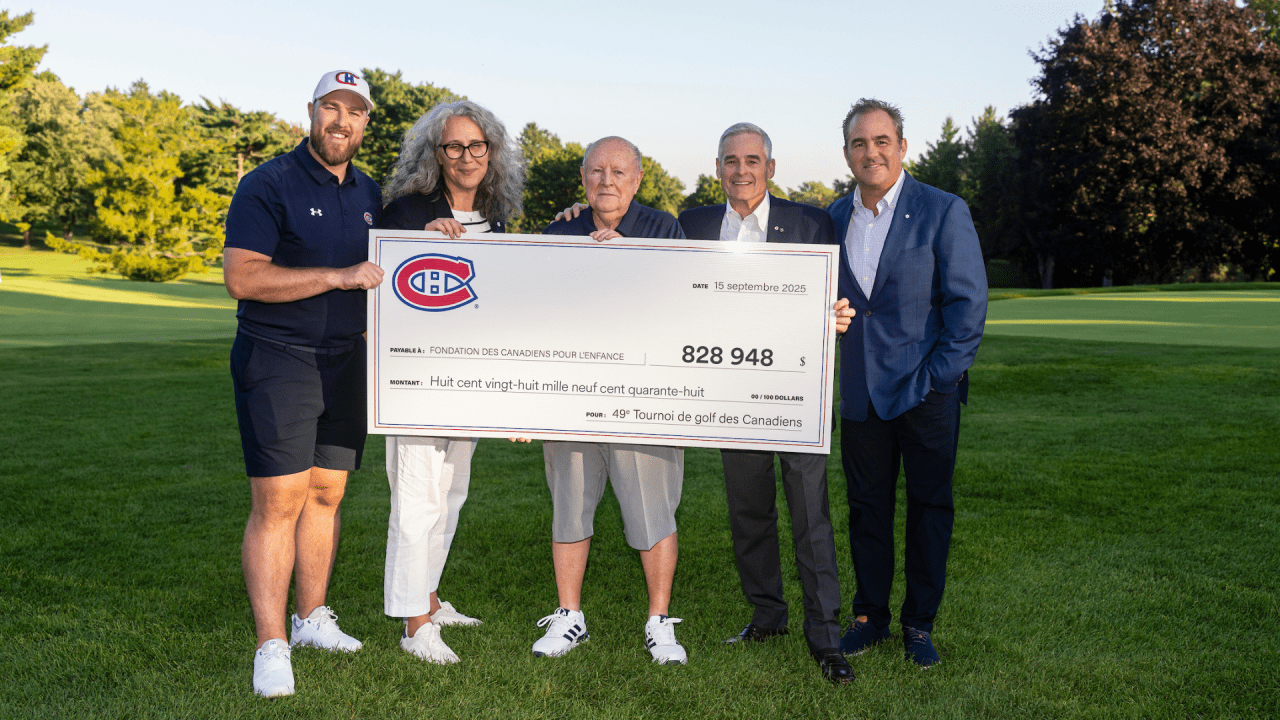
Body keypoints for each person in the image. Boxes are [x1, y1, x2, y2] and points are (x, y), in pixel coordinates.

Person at [223, 70, 383, 698]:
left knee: (326, 494)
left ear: (366, 123)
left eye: (355, 112)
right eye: (331, 108)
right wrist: (337, 277)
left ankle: (312, 616)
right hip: (279, 360)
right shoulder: (268, 184)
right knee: (280, 503)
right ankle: (271, 645)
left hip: (346, 363)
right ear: (311, 112)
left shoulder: (370, 191)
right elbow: (244, 278)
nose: (341, 122)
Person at [677, 123, 855, 685]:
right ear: (717, 168)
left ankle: (826, 635)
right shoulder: (695, 225)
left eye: (752, 160)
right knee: (749, 511)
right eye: (731, 160)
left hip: (794, 392)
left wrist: (838, 315)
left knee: (810, 515)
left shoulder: (809, 222)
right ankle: (768, 615)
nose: (741, 170)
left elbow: (835, 290)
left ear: (770, 168)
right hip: (730, 395)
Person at [829, 99, 987, 668]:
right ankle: (869, 616)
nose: (870, 152)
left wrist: (939, 378)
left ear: (901, 145)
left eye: (881, 141)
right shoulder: (829, 217)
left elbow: (968, 307)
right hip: (861, 392)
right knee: (866, 509)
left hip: (926, 393)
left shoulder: (943, 210)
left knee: (928, 508)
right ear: (846, 152)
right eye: (858, 143)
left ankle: (919, 624)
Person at [377, 99, 525, 664]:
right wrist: (423, 241)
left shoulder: (496, 216)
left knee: (451, 496)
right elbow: (388, 290)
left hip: (471, 383)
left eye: (477, 146)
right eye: (454, 146)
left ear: (492, 152)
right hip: (417, 382)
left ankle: (431, 599)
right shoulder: (406, 212)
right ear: (434, 154)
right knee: (416, 499)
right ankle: (414, 625)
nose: (466, 157)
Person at [533, 136, 690, 665]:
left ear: (638, 177)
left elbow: (683, 305)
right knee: (569, 508)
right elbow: (537, 316)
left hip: (643, 400)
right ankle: (569, 614)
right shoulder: (559, 231)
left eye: (619, 171)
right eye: (596, 171)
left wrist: (631, 259)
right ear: (582, 178)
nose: (607, 181)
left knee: (652, 512)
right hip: (572, 398)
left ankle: (660, 620)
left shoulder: (664, 228)